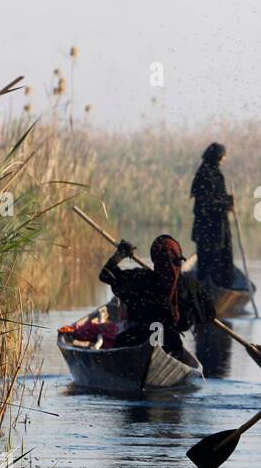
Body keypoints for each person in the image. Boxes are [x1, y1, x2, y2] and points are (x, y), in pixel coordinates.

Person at [99, 234, 215, 354]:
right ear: (179, 260)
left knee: (121, 342)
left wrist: (120, 254)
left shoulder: (141, 279)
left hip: (136, 342)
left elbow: (106, 274)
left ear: (155, 261)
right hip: (170, 347)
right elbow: (210, 314)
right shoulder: (190, 286)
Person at [189, 142, 235, 288]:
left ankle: (218, 287)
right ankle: (209, 289)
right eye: (222, 157)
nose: (224, 160)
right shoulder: (206, 174)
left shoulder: (211, 172)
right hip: (209, 229)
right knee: (210, 261)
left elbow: (215, 197)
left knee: (219, 259)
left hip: (215, 228)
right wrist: (226, 204)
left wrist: (227, 200)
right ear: (217, 157)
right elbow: (206, 203)